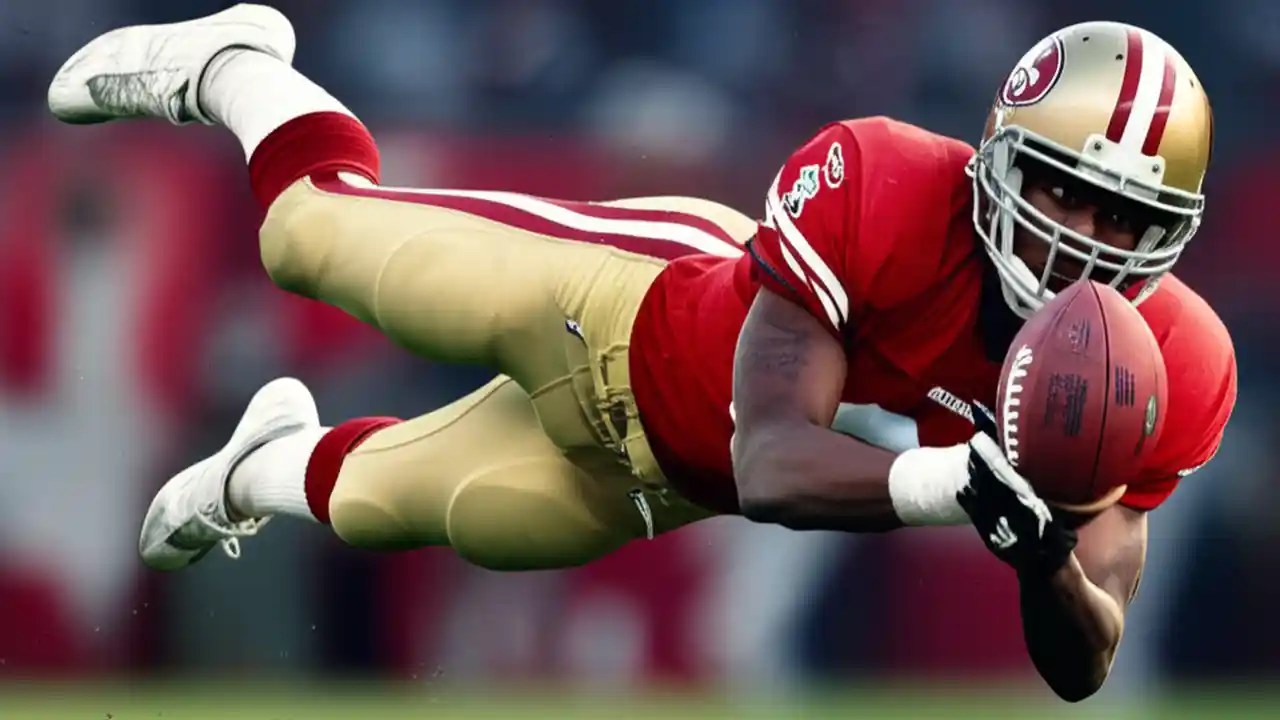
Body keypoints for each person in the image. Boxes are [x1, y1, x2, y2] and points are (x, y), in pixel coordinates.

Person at [48, 5, 1235, 700]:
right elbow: (769, 456)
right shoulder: (881, 180)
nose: (1079, 241)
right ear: (994, 157)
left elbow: (1083, 656)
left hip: (653, 480)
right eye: (1059, 193)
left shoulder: (1167, 365)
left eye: (1121, 222)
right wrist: (957, 489)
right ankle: (239, 65)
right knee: (307, 237)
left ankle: (258, 464)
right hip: (619, 306)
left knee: (375, 504)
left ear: (1168, 240)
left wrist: (1041, 562)